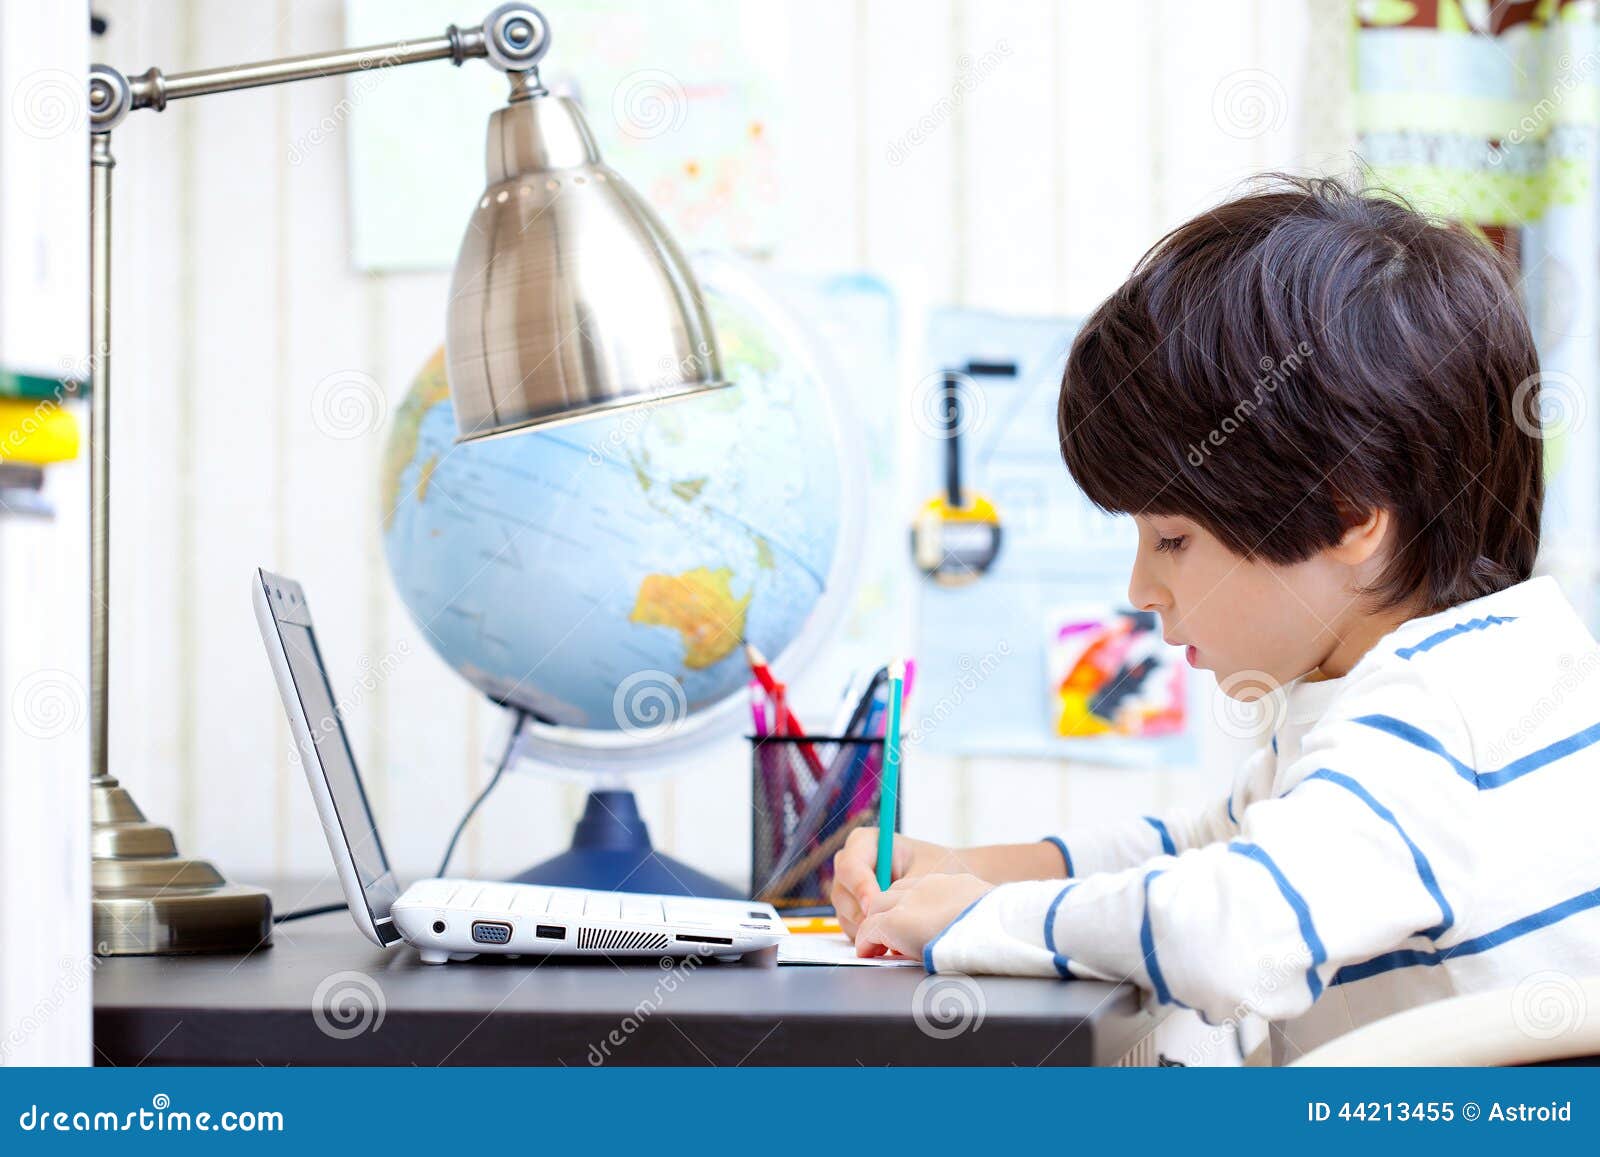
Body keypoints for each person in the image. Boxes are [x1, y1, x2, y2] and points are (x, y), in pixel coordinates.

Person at [833, 176, 1600, 1060]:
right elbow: (1208, 844)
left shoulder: (1436, 714)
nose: (1141, 588)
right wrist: (972, 869)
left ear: (1350, 515)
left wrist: (978, 920)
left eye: (1172, 539)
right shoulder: (1489, 671)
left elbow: (1228, 932)